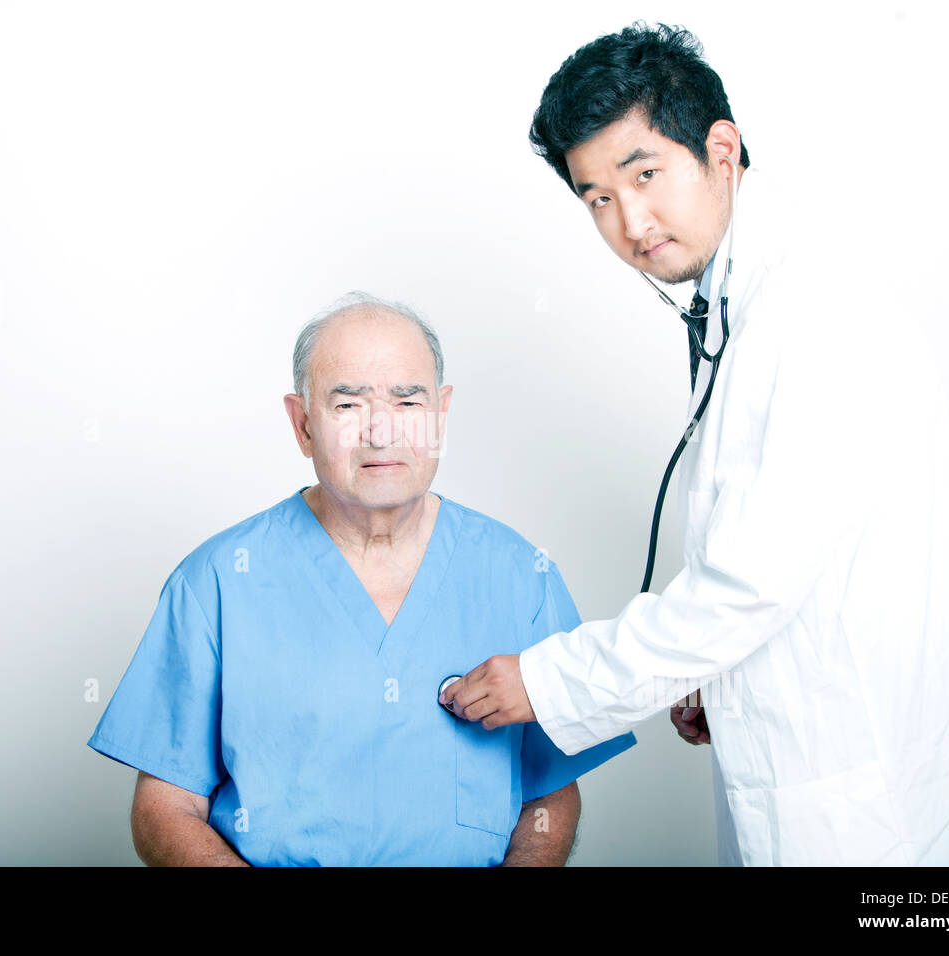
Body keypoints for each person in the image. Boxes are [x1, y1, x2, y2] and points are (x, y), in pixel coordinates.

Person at [440, 22, 949, 865]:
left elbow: (749, 584)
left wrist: (548, 681)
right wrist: (716, 678)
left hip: (871, 803)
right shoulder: (739, 306)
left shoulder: (812, 315)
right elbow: (783, 550)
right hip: (831, 759)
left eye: (644, 174)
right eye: (597, 199)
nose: (630, 222)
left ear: (721, 150)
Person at [88, 292, 635, 866]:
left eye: (408, 402)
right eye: (348, 405)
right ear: (302, 424)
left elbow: (550, 792)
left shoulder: (521, 576)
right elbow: (164, 808)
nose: (382, 432)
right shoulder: (216, 583)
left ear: (440, 416)